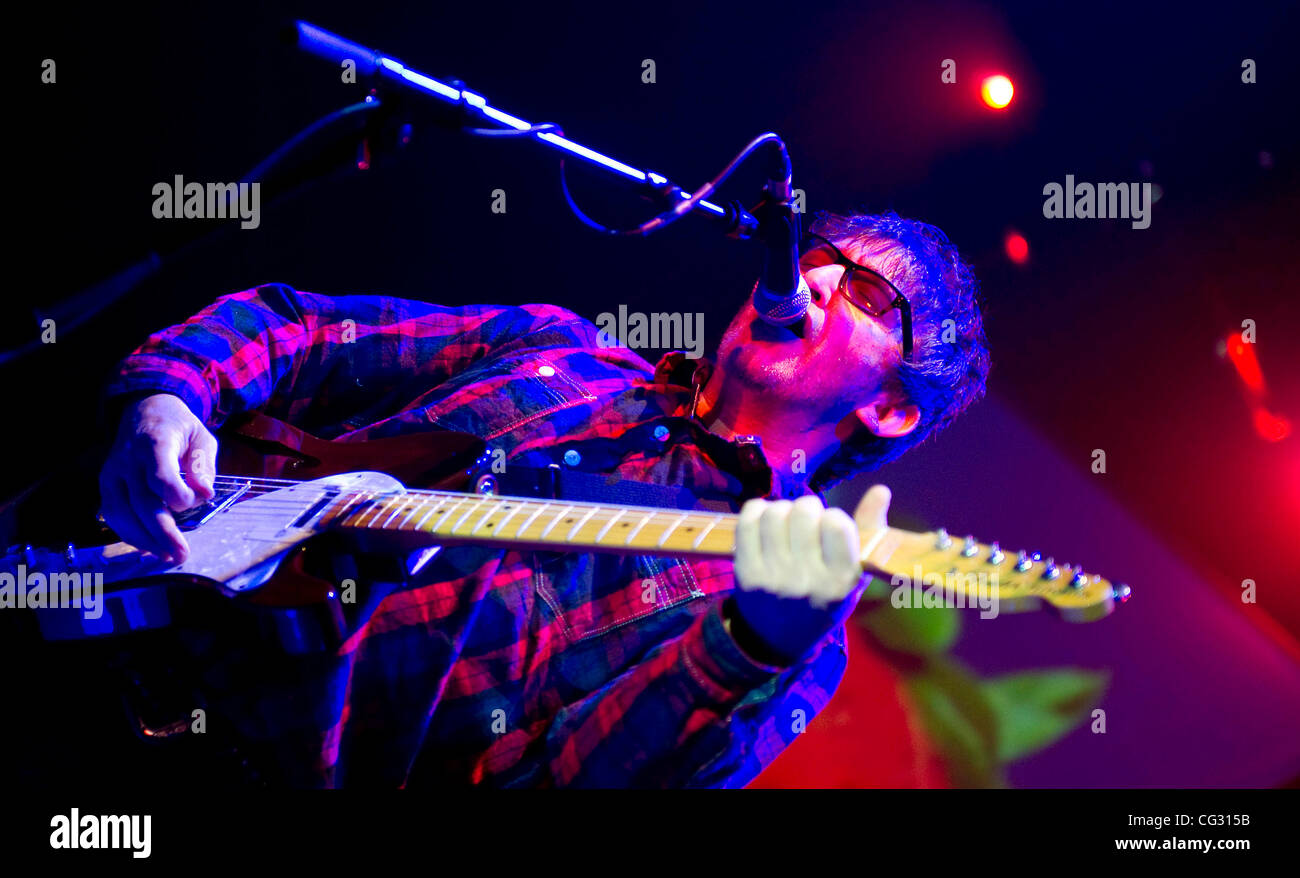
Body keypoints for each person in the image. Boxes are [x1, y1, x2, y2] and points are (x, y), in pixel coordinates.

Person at [97, 209, 990, 787]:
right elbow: (316, 328)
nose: (820, 278)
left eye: (869, 294)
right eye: (824, 256)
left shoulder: (777, 621)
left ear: (890, 405)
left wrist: (748, 647)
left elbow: (562, 783)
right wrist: (172, 393)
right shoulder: (561, 351)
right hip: (97, 607)